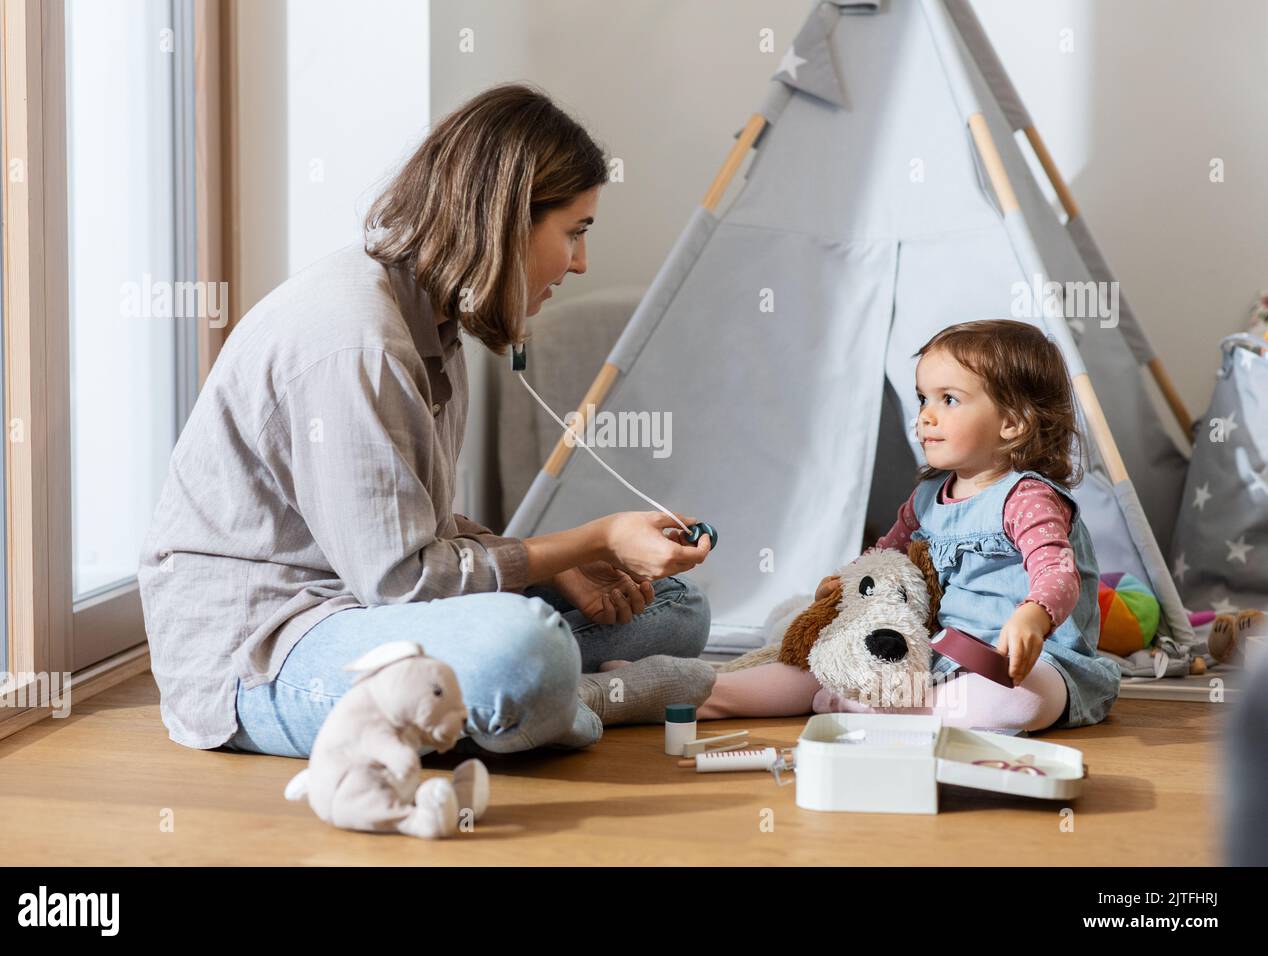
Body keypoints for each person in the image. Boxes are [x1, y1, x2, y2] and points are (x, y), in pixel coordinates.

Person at [137, 84, 717, 759]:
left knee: (675, 608)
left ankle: (537, 701)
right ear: (507, 219)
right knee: (523, 649)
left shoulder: (433, 323)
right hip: (264, 654)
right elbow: (402, 583)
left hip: (363, 608)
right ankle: (571, 698)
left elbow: (415, 531)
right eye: (575, 232)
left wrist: (565, 568)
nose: (580, 262)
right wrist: (591, 540)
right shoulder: (361, 342)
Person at [700, 319, 1122, 731]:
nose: (926, 416)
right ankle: (702, 693)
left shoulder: (1028, 497)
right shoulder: (927, 496)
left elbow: (1057, 571)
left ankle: (868, 709)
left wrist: (1033, 615)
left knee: (1022, 701)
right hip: (942, 651)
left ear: (1012, 421)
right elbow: (885, 555)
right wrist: (845, 583)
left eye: (949, 400)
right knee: (825, 657)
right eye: (923, 399)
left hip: (1033, 661)